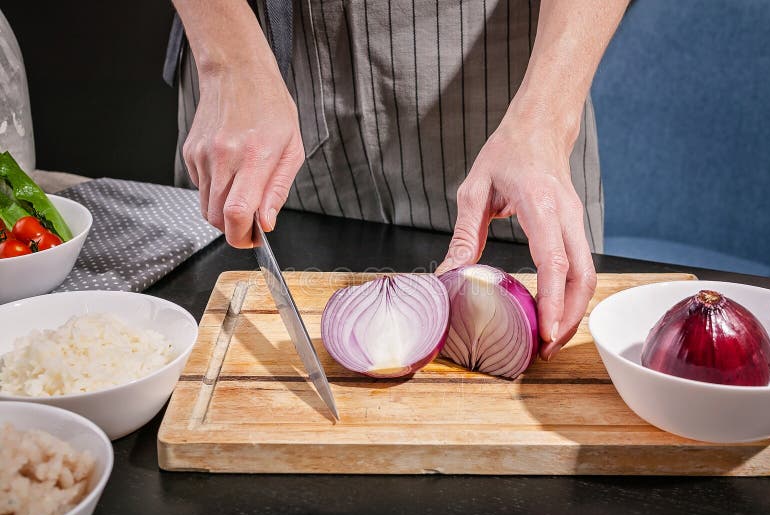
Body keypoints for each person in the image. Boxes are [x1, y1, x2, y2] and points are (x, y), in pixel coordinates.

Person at [169, 0, 628, 359]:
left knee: (545, 289)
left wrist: (545, 120)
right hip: (248, 57)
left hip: (509, 71)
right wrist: (227, 59)